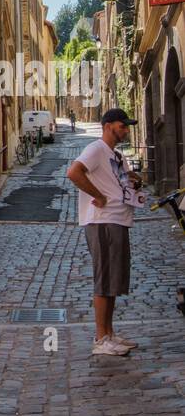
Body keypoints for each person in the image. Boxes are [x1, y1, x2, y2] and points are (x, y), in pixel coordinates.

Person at [67, 108, 142, 356]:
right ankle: (100, 339)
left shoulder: (116, 155)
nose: (126, 130)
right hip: (102, 221)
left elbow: (116, 182)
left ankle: (109, 333)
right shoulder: (96, 149)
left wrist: (131, 180)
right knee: (104, 279)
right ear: (108, 125)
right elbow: (73, 172)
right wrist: (97, 195)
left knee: (114, 280)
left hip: (117, 220)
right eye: (123, 125)